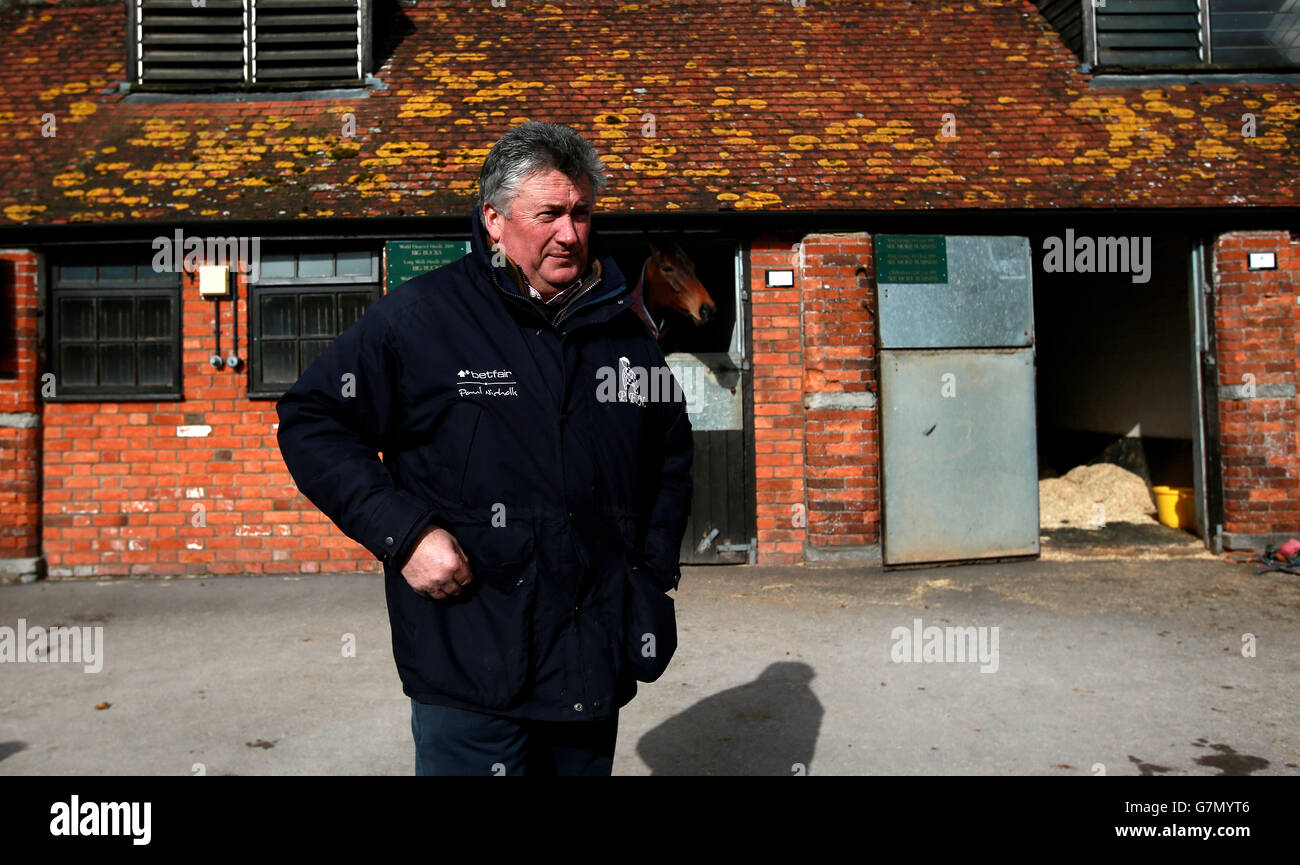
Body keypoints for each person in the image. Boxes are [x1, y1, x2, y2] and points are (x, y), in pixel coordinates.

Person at [275, 121, 694, 775]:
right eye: (549, 213)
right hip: (470, 662)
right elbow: (311, 419)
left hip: (589, 667)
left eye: (581, 212)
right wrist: (406, 534)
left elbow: (668, 455)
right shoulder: (423, 320)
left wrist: (650, 573)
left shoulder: (623, 332)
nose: (570, 233)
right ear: (494, 221)